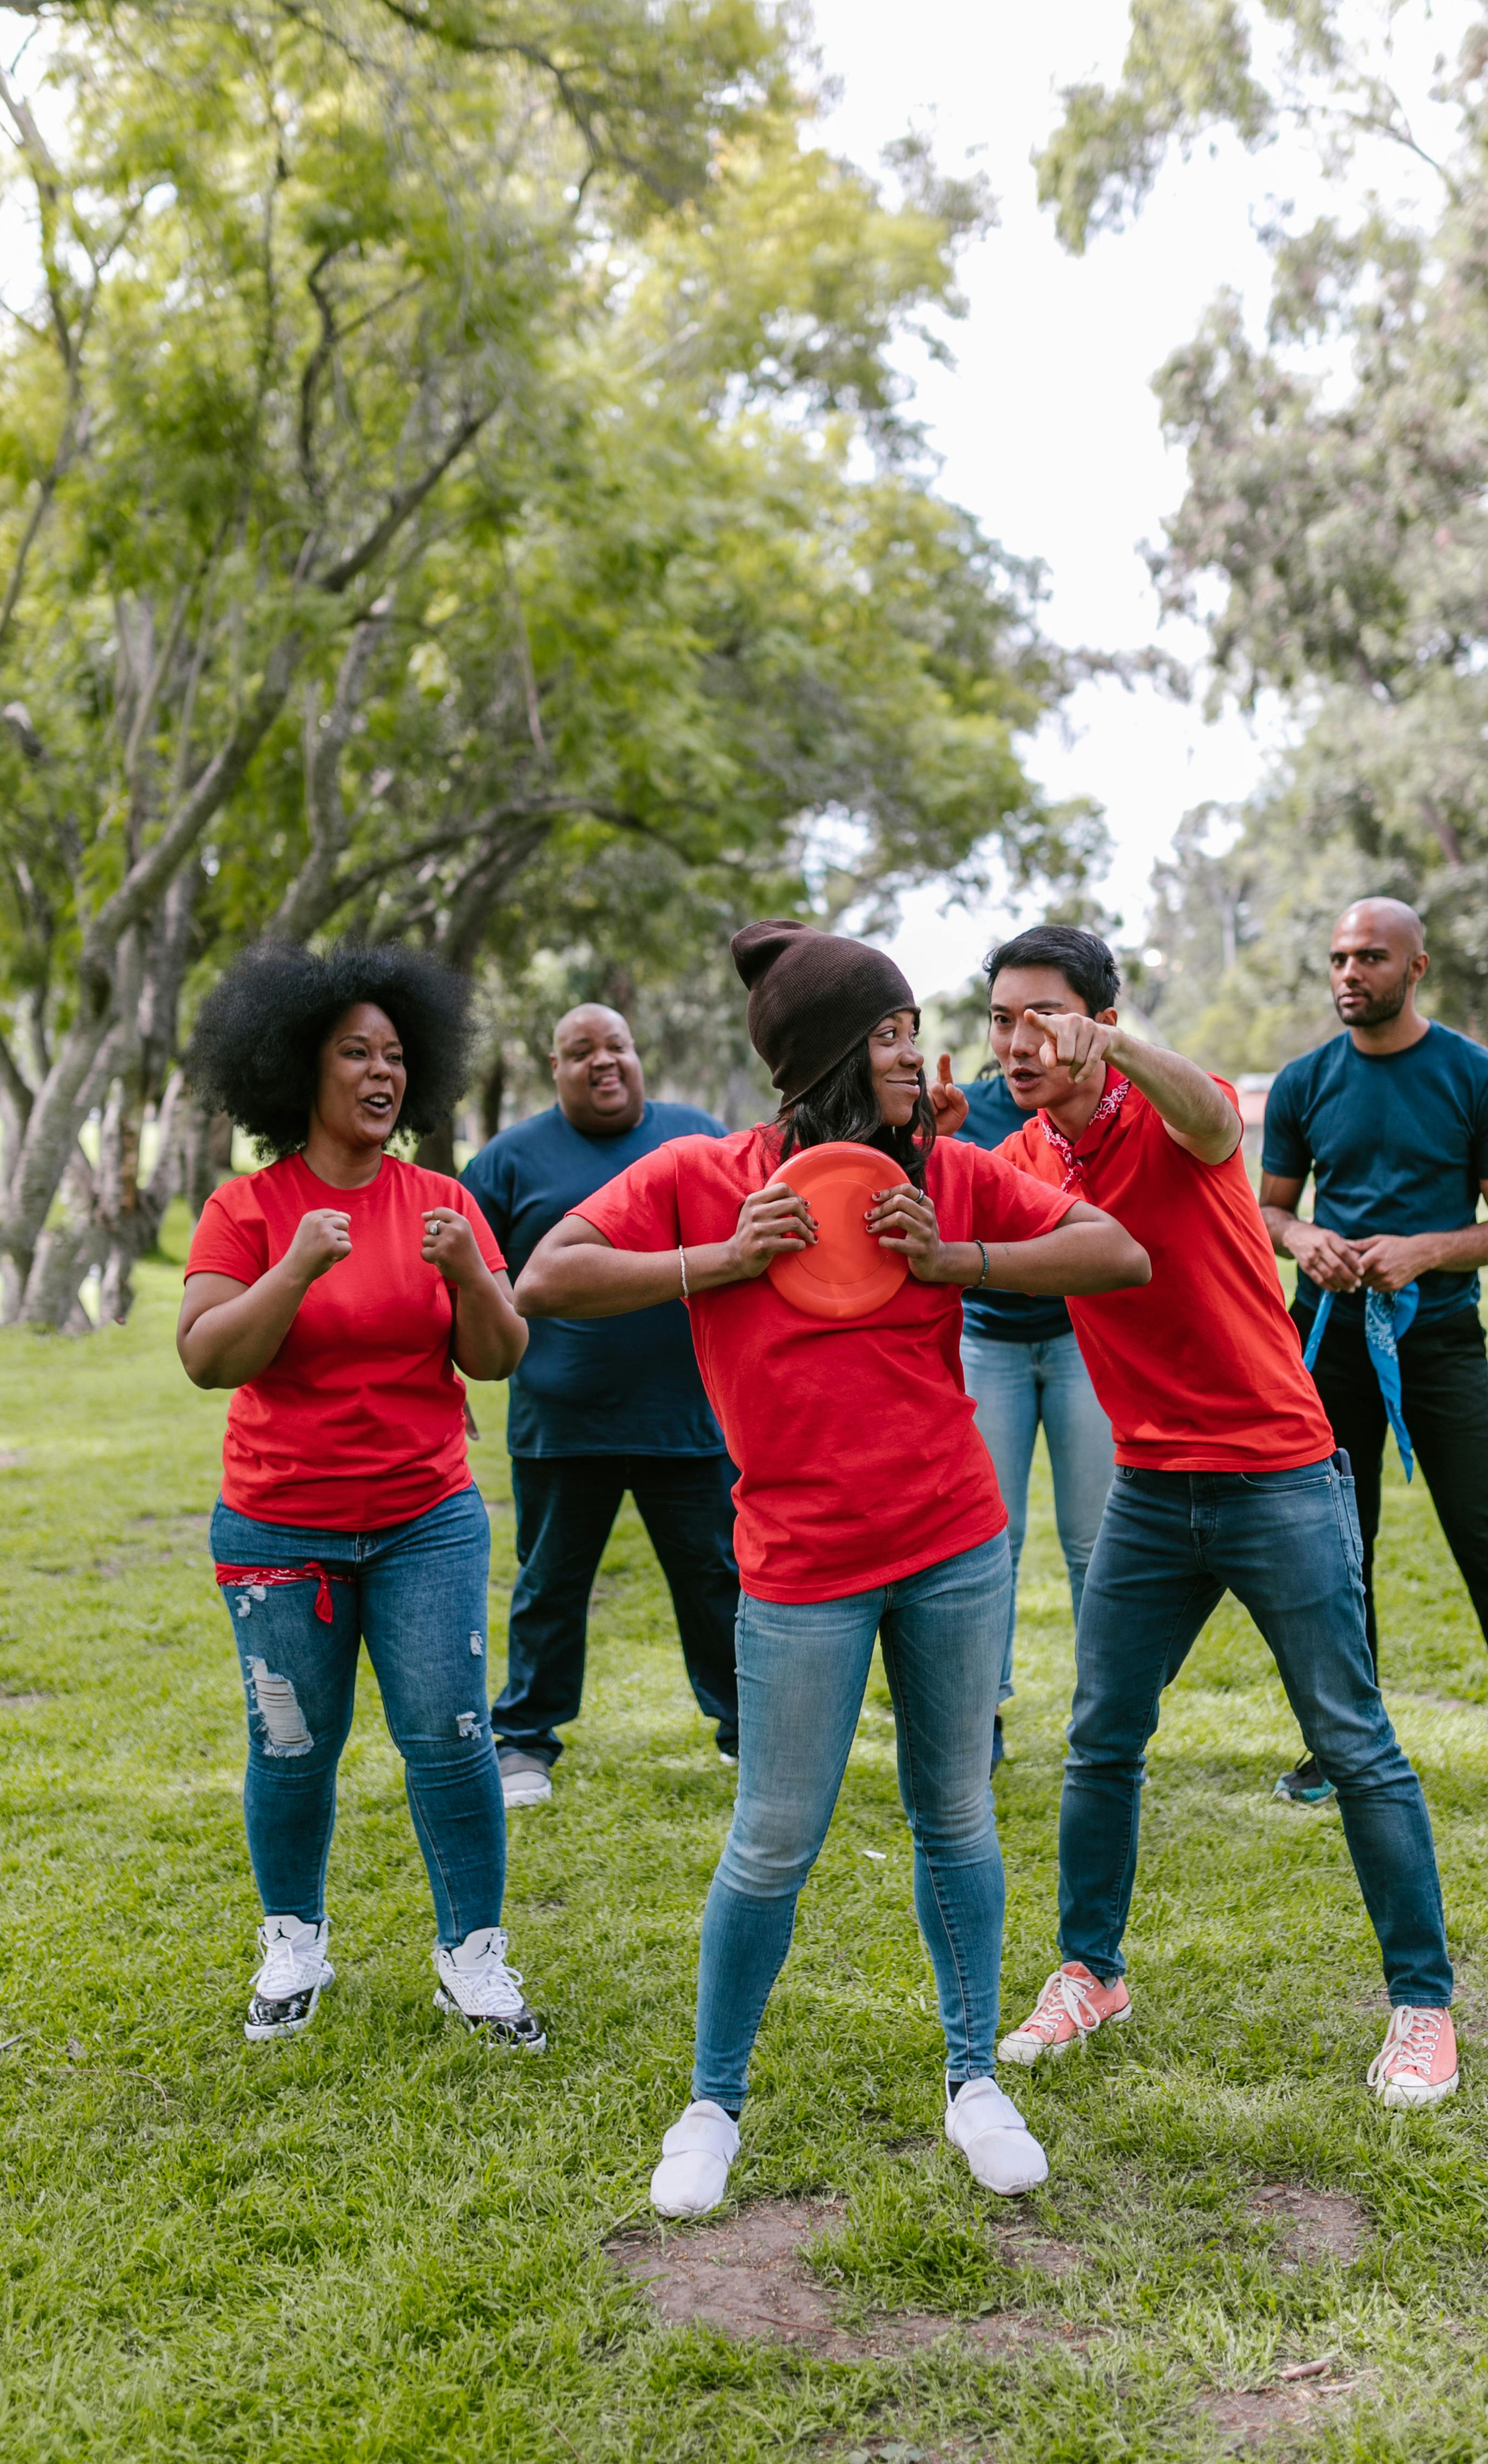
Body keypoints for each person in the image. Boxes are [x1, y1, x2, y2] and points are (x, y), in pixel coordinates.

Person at [515, 919, 1151, 2215]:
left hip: (953, 1546)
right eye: (892, 1034)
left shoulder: (947, 1176)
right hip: (800, 1566)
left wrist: (957, 1258)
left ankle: (975, 2079)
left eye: (914, 1030)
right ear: (826, 1055)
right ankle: (713, 2102)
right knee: (772, 1839)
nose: (917, 1055)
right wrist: (722, 1260)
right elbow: (548, 1276)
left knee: (956, 1816)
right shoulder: (706, 1175)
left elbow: (1116, 1252)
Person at [963, 924, 1460, 2111]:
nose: (1018, 1042)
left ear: (1098, 1022)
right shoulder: (1026, 1152)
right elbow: (953, 1213)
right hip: (1147, 1484)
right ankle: (1091, 1972)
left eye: (1043, 1017)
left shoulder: (1175, 1115)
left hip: (1275, 1473)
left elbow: (1213, 1113)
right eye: (1000, 1020)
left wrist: (1119, 1048)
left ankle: (1423, 2005)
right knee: (1102, 1737)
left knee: (1352, 1740)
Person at [177, 943, 546, 2051]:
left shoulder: (443, 1201)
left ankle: (473, 1955)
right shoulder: (247, 1209)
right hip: (279, 1526)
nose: (381, 1073)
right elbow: (206, 1357)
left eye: (394, 1055)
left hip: (426, 1521)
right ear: (301, 1066)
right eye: (354, 1053)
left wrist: (470, 1272)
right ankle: (293, 1938)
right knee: (292, 1743)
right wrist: (294, 1267)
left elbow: (498, 1357)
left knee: (452, 1733)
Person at [1258, 897, 1488, 1840]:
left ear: (1416, 967)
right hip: (1329, 1341)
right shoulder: (1304, 1082)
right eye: (1339, 958)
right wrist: (1303, 1238)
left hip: (1443, 1341)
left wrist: (1425, 1250)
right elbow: (1269, 1210)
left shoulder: (1479, 1078)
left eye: (1371, 957)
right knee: (1339, 1553)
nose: (1350, 973)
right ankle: (1341, 1745)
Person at [460, 1004, 740, 1805]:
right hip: (561, 1423)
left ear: (637, 1052)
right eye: (580, 1051)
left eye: (616, 1045)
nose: (602, 1061)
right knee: (548, 1586)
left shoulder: (697, 1137)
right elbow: (461, 1275)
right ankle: (525, 1741)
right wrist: (447, 1367)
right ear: (556, 1068)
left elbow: (748, 1256)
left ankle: (748, 1731)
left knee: (718, 1580)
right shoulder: (508, 1160)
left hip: (688, 1417)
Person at [940, 1057, 1115, 1767]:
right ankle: (981, 1714)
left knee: (1093, 1540)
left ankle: (1108, 1716)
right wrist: (926, 1138)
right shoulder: (962, 1112)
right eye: (1004, 1019)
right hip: (988, 1343)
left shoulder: (1094, 1112)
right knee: (992, 1541)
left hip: (1079, 1339)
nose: (1023, 1045)